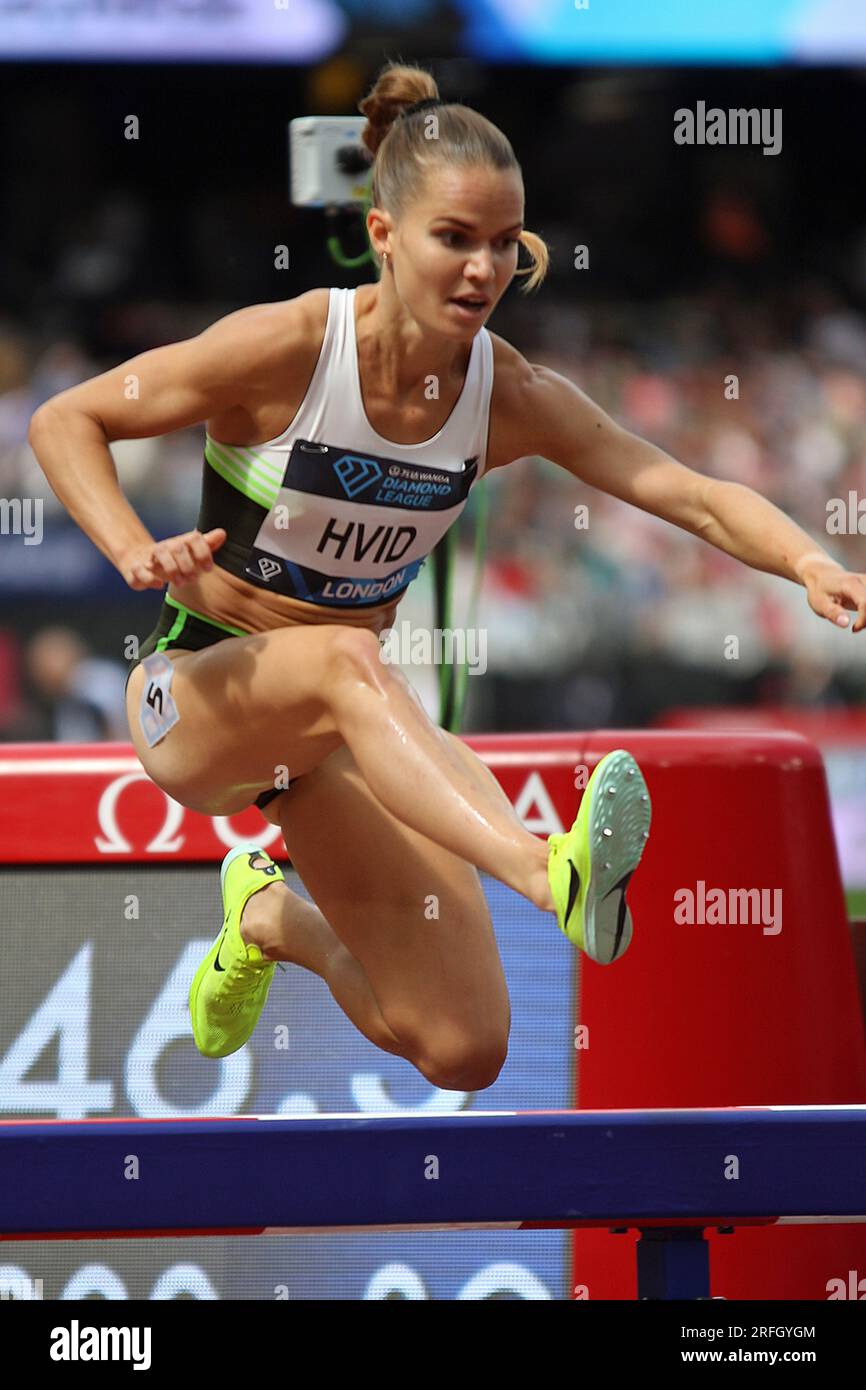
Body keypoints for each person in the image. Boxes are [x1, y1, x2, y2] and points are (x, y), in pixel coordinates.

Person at [28, 64, 866, 1091]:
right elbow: (64, 417)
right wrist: (127, 545)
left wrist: (809, 561)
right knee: (343, 659)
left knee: (461, 1045)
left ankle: (267, 917)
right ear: (384, 236)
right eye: (453, 239)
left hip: (330, 742)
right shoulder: (291, 346)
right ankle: (550, 872)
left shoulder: (506, 395)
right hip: (199, 697)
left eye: (503, 244)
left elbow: (684, 491)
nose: (482, 270)